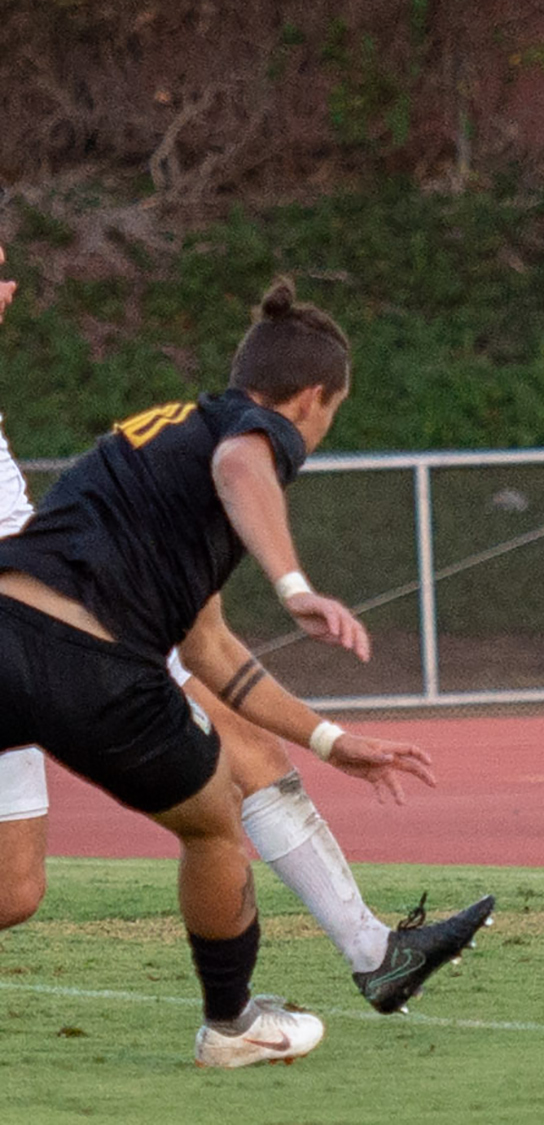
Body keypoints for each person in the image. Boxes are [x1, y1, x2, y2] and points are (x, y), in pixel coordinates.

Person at [0, 275, 483, 1067]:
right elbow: (241, 466)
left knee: (19, 884)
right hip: (95, 670)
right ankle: (231, 1025)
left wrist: (333, 741)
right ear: (314, 399)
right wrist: (295, 588)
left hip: (5, 629)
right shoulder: (253, 434)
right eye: (332, 414)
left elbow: (209, 650)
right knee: (214, 822)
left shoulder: (165, 443)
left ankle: (369, 954)